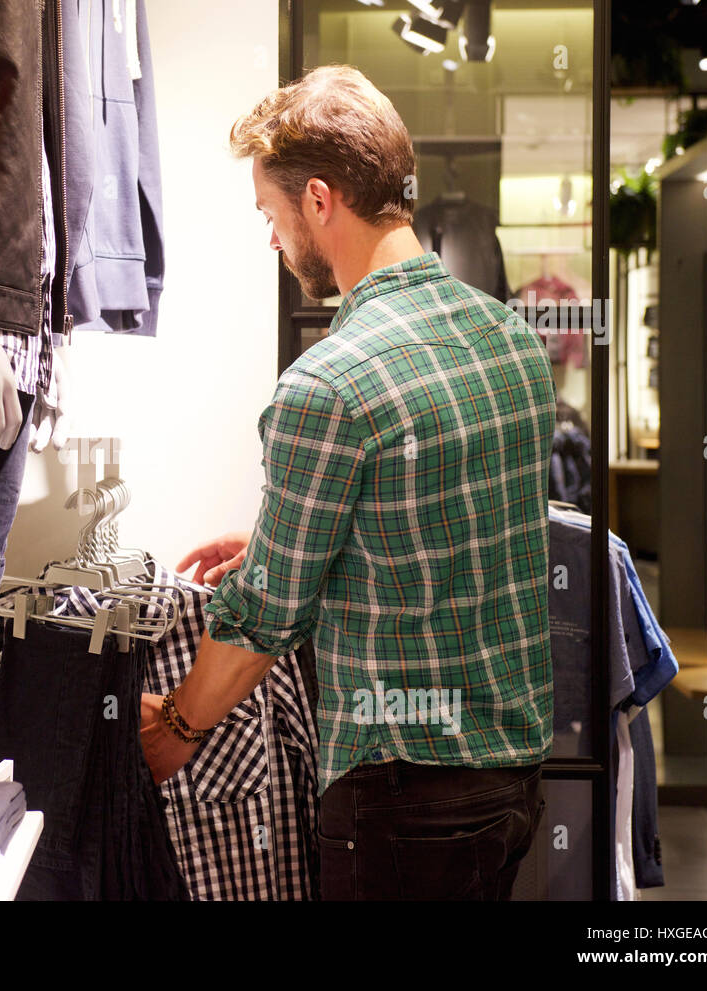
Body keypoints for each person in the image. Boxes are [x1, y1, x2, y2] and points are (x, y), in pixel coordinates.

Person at [143, 65, 556, 901]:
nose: (272, 239)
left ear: (320, 199)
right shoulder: (510, 340)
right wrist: (289, 538)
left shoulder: (326, 385)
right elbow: (451, 521)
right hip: (511, 778)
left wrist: (177, 725)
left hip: (402, 793)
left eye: (270, 213)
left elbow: (265, 616)